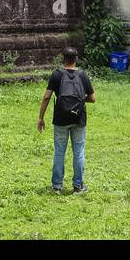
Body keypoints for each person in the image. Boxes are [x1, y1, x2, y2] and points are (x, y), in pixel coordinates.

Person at [37, 46, 95, 193]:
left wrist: (41, 118)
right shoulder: (82, 75)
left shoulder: (56, 74)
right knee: (79, 151)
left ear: (63, 58)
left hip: (60, 118)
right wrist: (80, 100)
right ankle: (78, 186)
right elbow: (93, 98)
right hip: (79, 118)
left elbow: (46, 97)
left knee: (59, 151)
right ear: (76, 59)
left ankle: (57, 186)